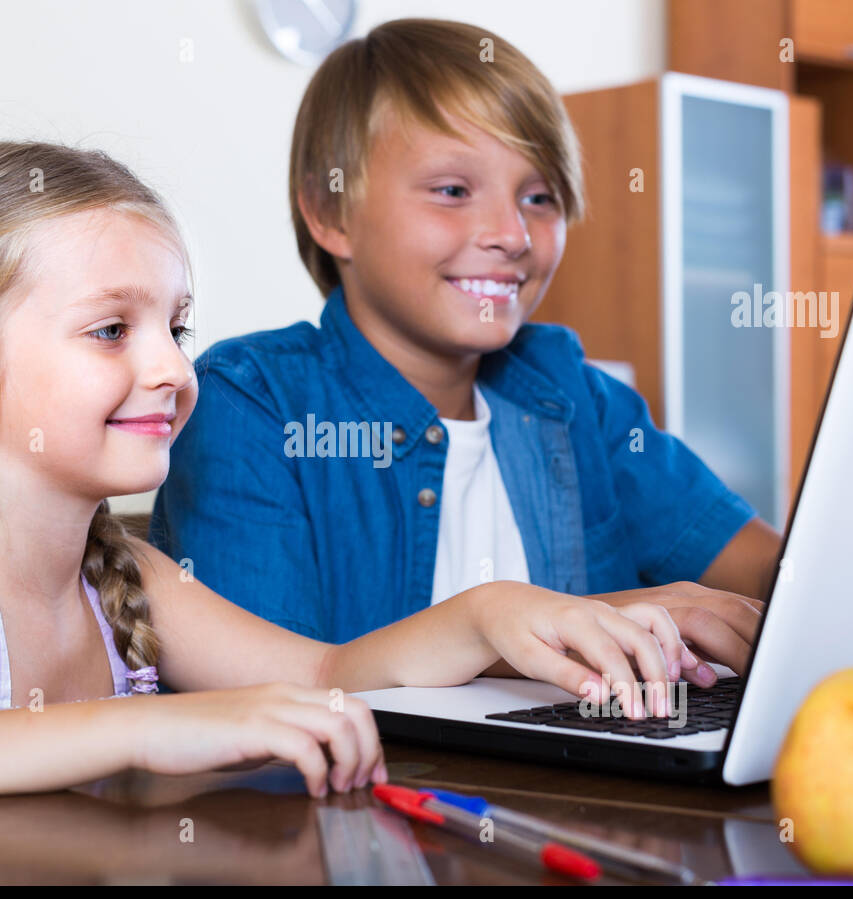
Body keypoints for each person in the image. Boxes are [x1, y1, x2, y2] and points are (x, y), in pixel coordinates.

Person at [0, 139, 688, 837]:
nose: (172, 370)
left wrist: (489, 616)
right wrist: (142, 725)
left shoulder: (123, 571)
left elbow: (319, 677)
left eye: (174, 329)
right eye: (112, 331)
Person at [151, 18, 781, 687]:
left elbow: (777, 572)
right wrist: (595, 620)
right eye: (453, 191)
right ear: (330, 213)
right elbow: (271, 693)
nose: (512, 234)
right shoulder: (252, 403)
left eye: (540, 198)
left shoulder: (577, 399)